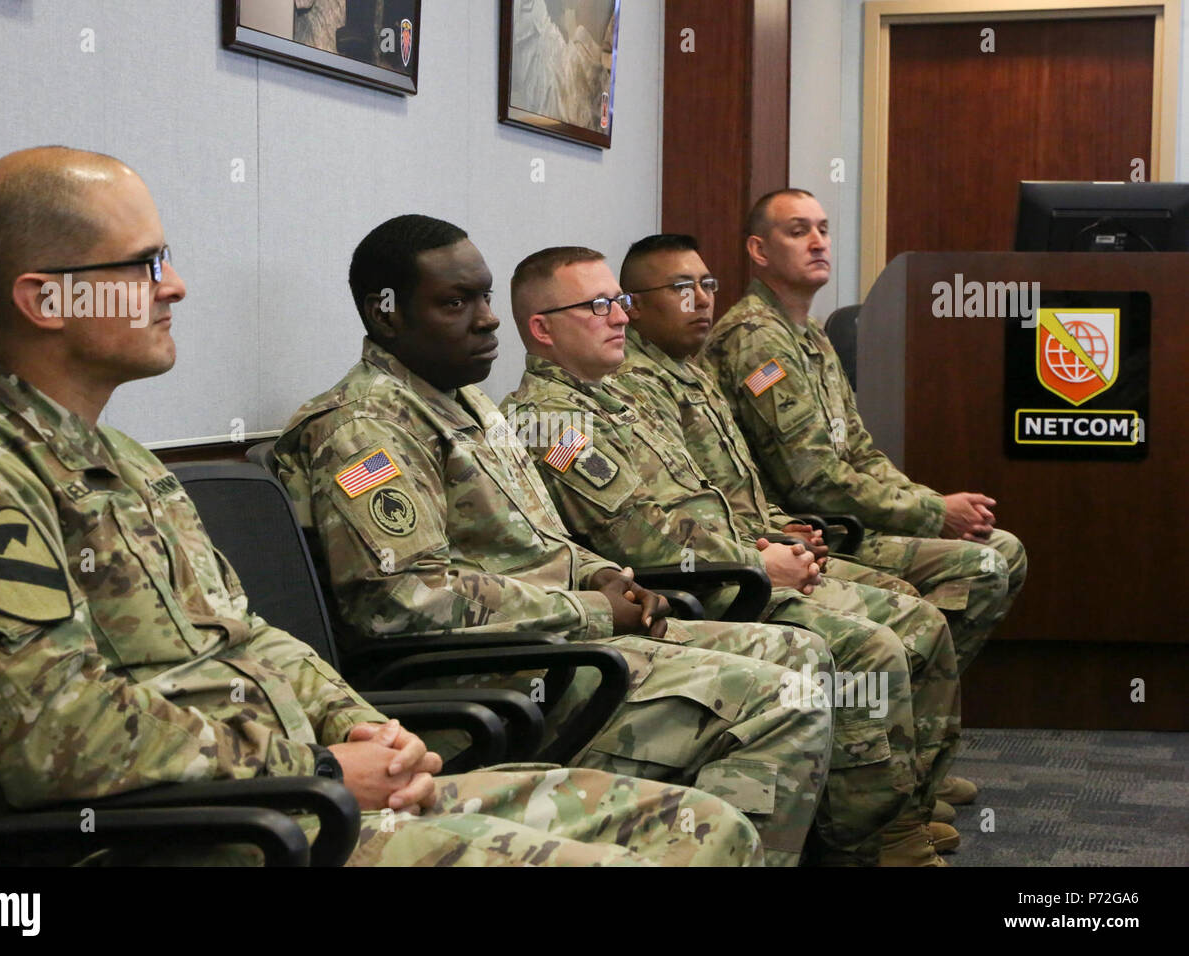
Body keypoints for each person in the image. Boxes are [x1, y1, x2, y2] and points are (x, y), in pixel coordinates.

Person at [0, 147, 763, 867]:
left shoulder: (120, 459)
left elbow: (249, 637)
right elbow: (58, 739)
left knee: (709, 832)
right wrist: (317, 764)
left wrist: (369, 729)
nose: (176, 286)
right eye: (145, 264)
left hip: (300, 795)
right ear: (46, 298)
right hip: (210, 834)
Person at [274, 213, 835, 866]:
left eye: (484, 297)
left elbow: (542, 540)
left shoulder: (469, 405)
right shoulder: (362, 427)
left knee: (800, 661)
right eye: (456, 303)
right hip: (498, 682)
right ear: (387, 313)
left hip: (561, 645)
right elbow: (402, 603)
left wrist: (600, 574)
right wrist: (594, 608)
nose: (487, 319)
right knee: (779, 699)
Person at [503, 245, 963, 866]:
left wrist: (764, 544)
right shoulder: (551, 422)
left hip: (728, 566)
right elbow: (642, 538)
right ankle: (867, 843)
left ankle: (883, 817)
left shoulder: (619, 399)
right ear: (542, 329)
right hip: (696, 590)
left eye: (618, 302)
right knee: (867, 646)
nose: (619, 317)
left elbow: (706, 501)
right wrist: (757, 564)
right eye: (599, 305)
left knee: (906, 618)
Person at [703, 190, 1029, 808]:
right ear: (758, 250)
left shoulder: (813, 337)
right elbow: (812, 480)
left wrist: (935, 503)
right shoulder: (756, 340)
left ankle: (911, 760)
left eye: (824, 229)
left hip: (849, 514)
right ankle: (891, 776)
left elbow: (860, 451)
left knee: (997, 549)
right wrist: (935, 514)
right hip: (812, 530)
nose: (820, 241)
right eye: (799, 231)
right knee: (984, 565)